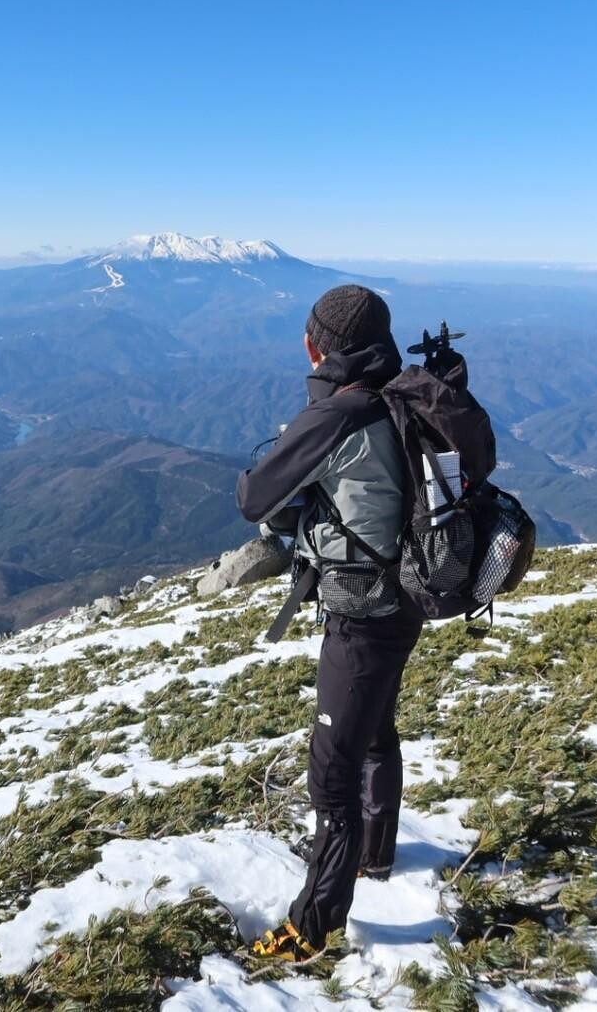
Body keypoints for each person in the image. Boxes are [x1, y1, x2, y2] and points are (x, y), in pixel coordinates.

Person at [235, 284, 422, 960]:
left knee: (331, 772)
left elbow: (255, 493)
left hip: (361, 610)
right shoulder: (402, 396)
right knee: (375, 730)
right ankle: (373, 854)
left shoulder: (338, 415)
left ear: (318, 345)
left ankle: (313, 928)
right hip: (408, 596)